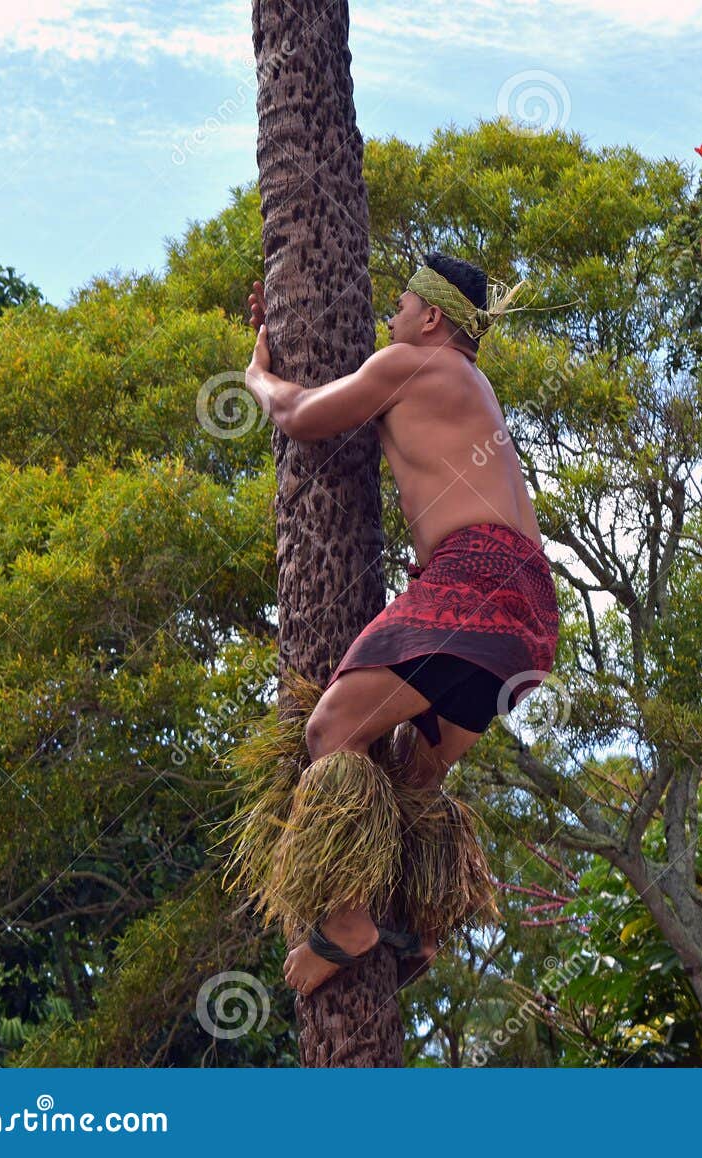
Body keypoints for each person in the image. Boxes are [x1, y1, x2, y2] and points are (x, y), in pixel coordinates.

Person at [241, 253, 559, 996]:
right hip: (532, 617)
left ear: (433, 319)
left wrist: (258, 371)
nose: (391, 317)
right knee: (414, 775)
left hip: (471, 581)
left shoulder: (410, 363)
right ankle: (420, 924)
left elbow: (300, 417)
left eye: (402, 304)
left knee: (330, 734)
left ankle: (349, 919)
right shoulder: (473, 389)